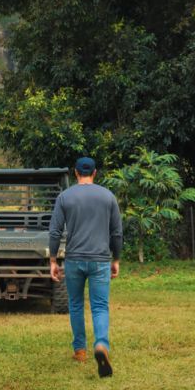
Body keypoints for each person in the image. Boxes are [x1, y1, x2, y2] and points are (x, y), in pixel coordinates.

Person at [49, 157, 123, 378]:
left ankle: (80, 350)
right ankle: (101, 345)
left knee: (76, 304)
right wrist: (116, 259)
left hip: (74, 259)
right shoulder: (108, 196)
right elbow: (117, 233)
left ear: (75, 173)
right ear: (95, 173)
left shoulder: (65, 197)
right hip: (100, 259)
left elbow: (54, 232)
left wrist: (53, 259)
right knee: (100, 306)